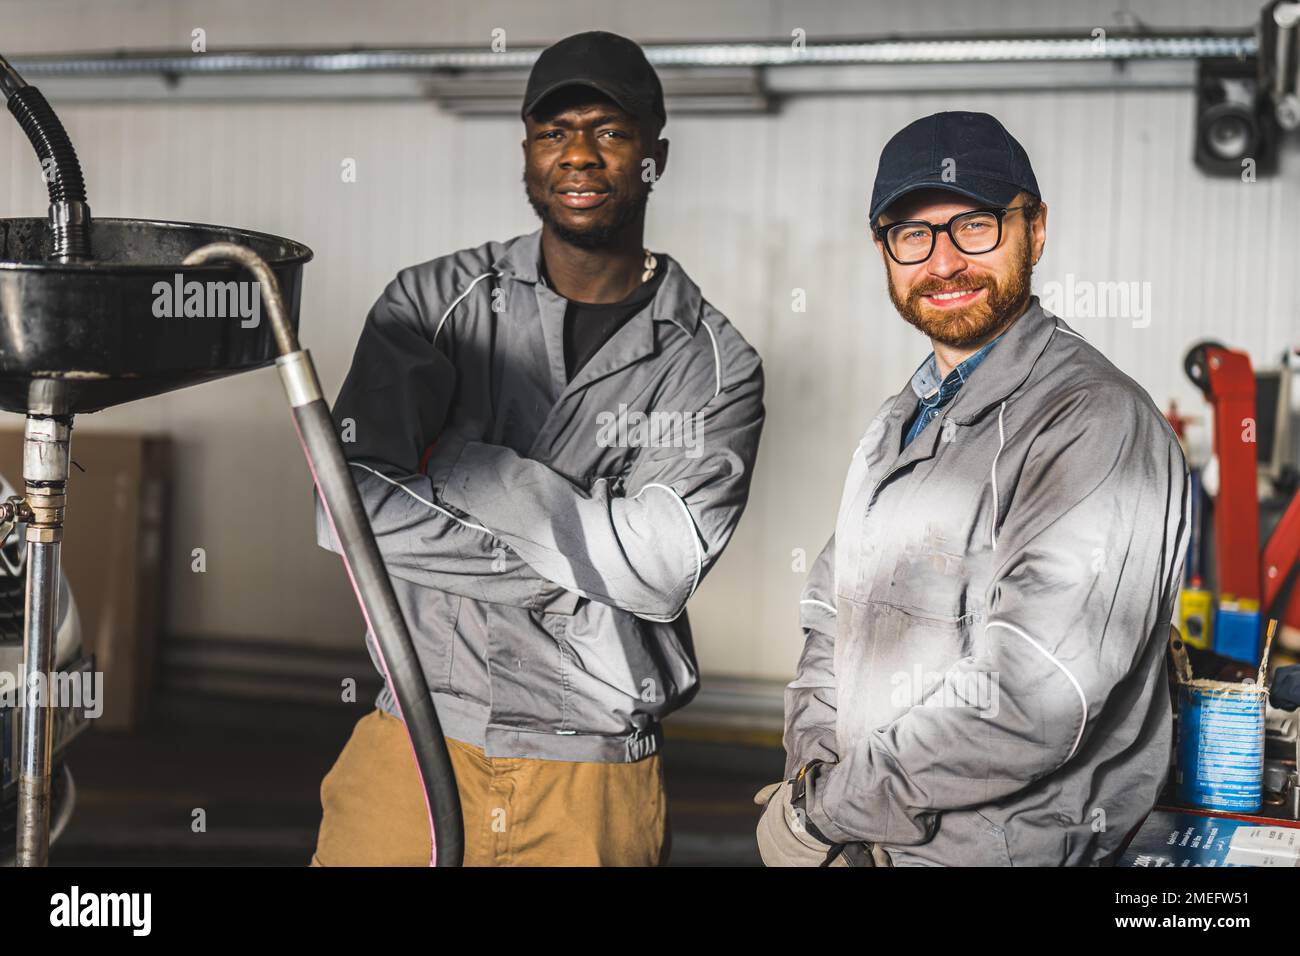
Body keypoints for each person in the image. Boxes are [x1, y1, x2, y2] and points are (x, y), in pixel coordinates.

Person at [309, 31, 764, 867]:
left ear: (655, 155)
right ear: (527, 149)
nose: (579, 155)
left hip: (589, 774)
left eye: (609, 130)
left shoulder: (712, 364)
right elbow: (346, 512)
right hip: (413, 739)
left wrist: (453, 467)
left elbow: (661, 567)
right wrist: (587, 571)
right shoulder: (429, 306)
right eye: (555, 132)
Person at [756, 111, 1189, 867]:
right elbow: (832, 620)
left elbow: (1031, 697)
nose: (945, 261)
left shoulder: (1094, 423)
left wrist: (824, 812)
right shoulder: (904, 418)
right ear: (885, 252)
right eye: (913, 235)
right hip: (871, 844)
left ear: (1036, 230)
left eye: (976, 226)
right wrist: (814, 782)